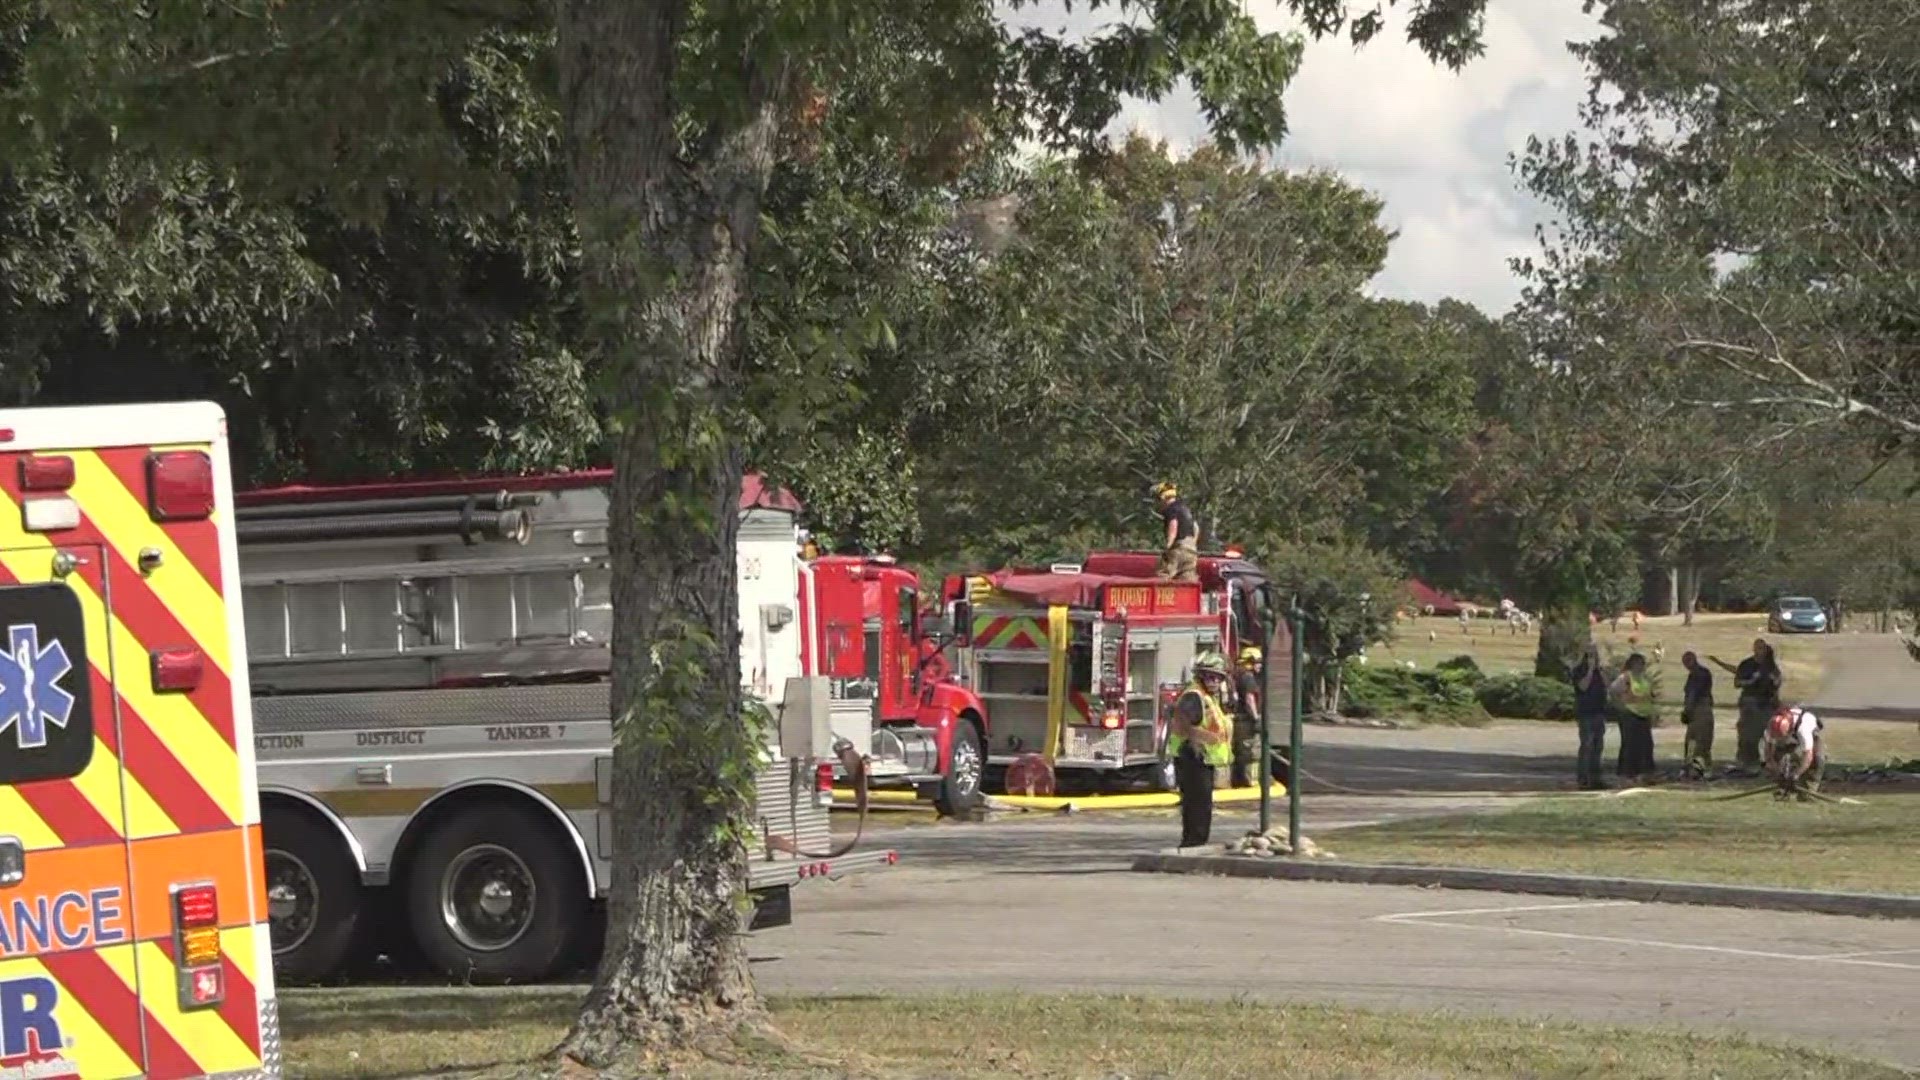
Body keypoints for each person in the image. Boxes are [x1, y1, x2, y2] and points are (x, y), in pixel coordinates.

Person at [1167, 649, 1234, 846]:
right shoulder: (1194, 696)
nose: (1214, 682)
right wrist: (1200, 744)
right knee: (1197, 806)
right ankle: (1192, 844)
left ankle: (1195, 842)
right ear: (1201, 676)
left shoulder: (1206, 697)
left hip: (1202, 760)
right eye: (1210, 677)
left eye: (1218, 678)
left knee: (1201, 806)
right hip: (1193, 758)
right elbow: (1186, 727)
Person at [1710, 639, 1781, 775]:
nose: (1760, 651)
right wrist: (1751, 681)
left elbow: (1777, 684)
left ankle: (1770, 763)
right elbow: (1737, 683)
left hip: (1767, 705)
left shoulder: (1770, 666)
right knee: (1747, 735)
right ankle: (1747, 762)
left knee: (1770, 736)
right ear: (1754, 649)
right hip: (1750, 704)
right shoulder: (1747, 665)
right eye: (1757, 648)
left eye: (1762, 648)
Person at [1608, 652, 1657, 782]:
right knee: (1630, 745)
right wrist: (1619, 706)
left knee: (1646, 745)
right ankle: (1626, 773)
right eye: (1640, 663)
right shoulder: (1625, 678)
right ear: (1633, 664)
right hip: (1629, 714)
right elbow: (1613, 690)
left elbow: (1650, 695)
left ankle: (1645, 773)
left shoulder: (1644, 678)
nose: (1642, 666)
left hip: (1644, 715)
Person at [1567, 644, 1610, 789]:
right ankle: (1583, 778)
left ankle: (1596, 778)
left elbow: (1607, 686)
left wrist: (1600, 670)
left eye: (1595, 655)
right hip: (1586, 713)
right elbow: (1582, 687)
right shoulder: (1580, 670)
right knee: (1587, 745)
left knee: (1598, 747)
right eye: (1591, 655)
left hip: (1599, 712)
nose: (1594, 658)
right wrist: (1590, 670)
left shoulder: (1600, 672)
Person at [1763, 705, 1825, 797]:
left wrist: (1796, 774)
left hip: (1811, 736)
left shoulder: (1803, 729)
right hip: (1791, 733)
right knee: (1780, 756)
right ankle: (1781, 786)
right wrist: (1777, 770)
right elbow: (1768, 754)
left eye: (1782, 737)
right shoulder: (1771, 728)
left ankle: (1809, 791)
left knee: (1817, 759)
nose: (1779, 739)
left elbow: (1808, 756)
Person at [1151, 482, 1200, 583]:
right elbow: (1196, 528)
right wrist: (1191, 544)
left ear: (1163, 497)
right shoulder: (1185, 508)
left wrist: (1168, 546)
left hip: (1179, 548)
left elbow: (1173, 525)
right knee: (1187, 579)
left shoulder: (1171, 509)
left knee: (1163, 575)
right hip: (1191, 551)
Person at [1229, 646, 1263, 788]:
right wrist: (1255, 718)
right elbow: (1250, 699)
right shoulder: (1248, 678)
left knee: (1240, 752)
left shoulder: (1237, 675)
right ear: (1250, 662)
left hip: (1238, 720)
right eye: (1258, 662)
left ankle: (1238, 780)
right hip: (1246, 721)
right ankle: (1250, 782)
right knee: (1251, 753)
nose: (1260, 665)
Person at [1679, 650, 1715, 778]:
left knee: (1701, 741)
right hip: (1697, 711)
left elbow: (1693, 694)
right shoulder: (1696, 674)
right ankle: (1692, 767)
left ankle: (1702, 769)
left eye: (1688, 661)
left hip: (1700, 709)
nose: (1686, 665)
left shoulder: (1699, 674)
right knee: (1692, 741)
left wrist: (1687, 710)